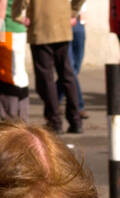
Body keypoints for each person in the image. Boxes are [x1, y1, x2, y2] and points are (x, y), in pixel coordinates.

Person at [28, 0, 84, 133]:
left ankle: (54, 120)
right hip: (61, 25)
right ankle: (75, 120)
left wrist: (17, 15)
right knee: (67, 74)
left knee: (46, 77)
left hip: (40, 26)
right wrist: (72, 12)